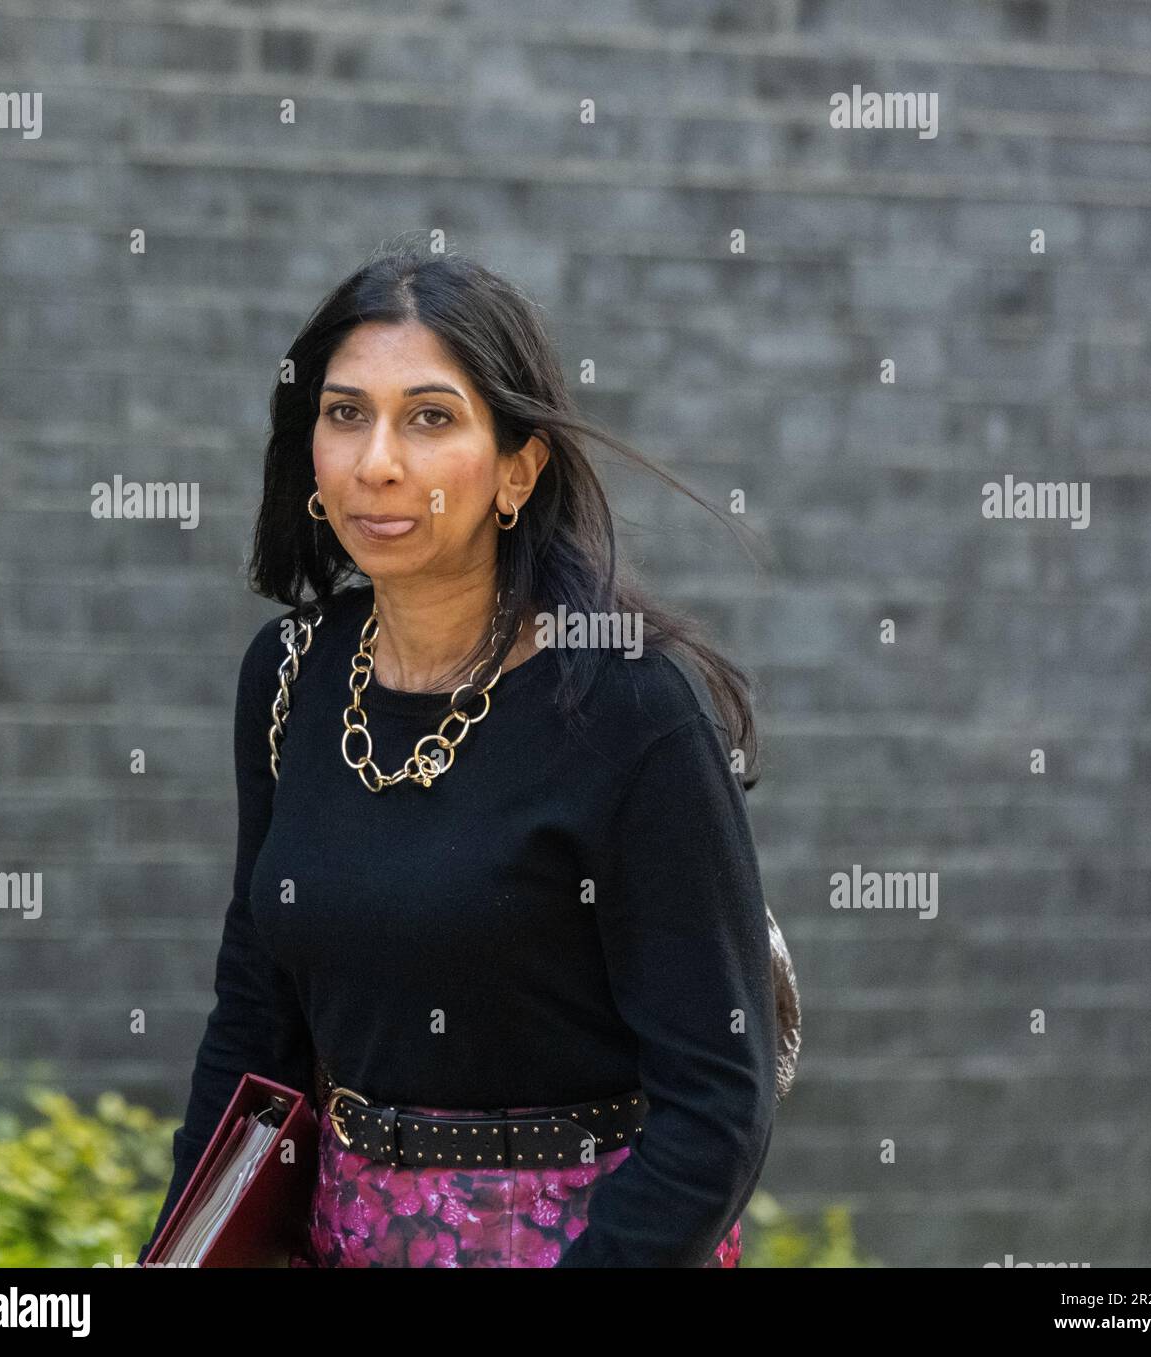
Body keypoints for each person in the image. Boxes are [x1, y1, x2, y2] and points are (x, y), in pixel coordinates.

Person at [138, 242, 777, 1268]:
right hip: (341, 1239)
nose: (376, 459)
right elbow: (256, 1022)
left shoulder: (627, 705)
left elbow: (719, 1101)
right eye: (345, 413)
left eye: (429, 417)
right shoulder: (290, 676)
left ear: (517, 469)